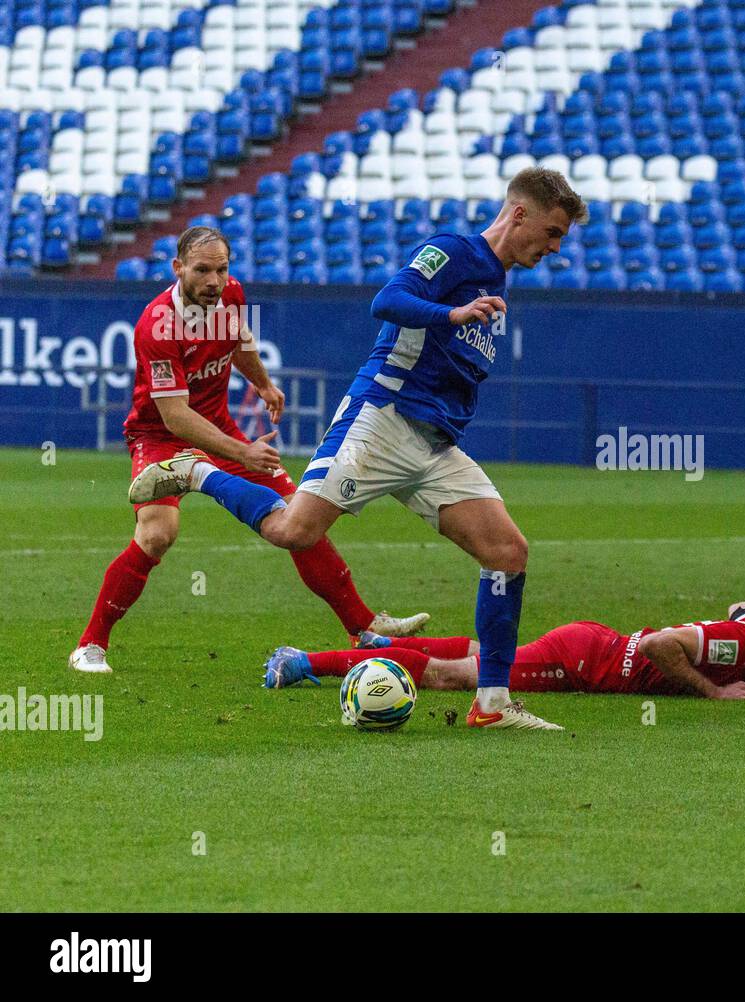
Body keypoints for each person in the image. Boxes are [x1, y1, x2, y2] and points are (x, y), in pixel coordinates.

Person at [128, 169, 589, 729]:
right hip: (383, 420)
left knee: (508, 554)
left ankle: (492, 706)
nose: (556, 246)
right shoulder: (453, 253)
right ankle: (195, 473)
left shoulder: (496, 279)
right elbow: (387, 299)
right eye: (553, 230)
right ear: (519, 214)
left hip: (435, 444)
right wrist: (452, 314)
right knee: (294, 532)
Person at [69, 226, 426, 674]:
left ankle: (363, 627)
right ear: (178, 268)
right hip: (159, 435)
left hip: (218, 427)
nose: (214, 281)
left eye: (221, 269)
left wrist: (262, 383)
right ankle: (90, 645)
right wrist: (241, 454)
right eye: (202, 270)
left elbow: (238, 342)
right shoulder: (154, 325)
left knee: (300, 515)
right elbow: (175, 415)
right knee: (158, 534)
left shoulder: (232, 294)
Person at [262, 596, 745, 706]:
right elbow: (656, 645)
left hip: (588, 642)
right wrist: (712, 688)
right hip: (584, 662)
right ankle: (301, 663)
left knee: (482, 649)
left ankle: (382, 645)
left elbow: (741, 607)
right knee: (453, 676)